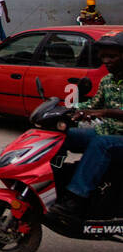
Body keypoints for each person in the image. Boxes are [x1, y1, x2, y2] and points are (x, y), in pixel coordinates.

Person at [48, 36, 123, 219]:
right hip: (108, 132)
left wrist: (103, 112)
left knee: (102, 144)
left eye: (112, 57)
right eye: (103, 56)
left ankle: (76, 198)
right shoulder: (107, 80)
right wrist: (68, 109)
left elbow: (101, 110)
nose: (106, 61)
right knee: (64, 135)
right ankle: (52, 183)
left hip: (114, 138)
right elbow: (93, 104)